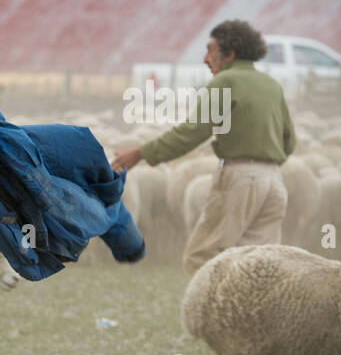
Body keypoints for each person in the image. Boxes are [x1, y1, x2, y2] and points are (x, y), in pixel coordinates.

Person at [111, 19, 296, 275]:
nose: (205, 58)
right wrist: (264, 165)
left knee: (204, 258)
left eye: (210, 50)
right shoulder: (271, 85)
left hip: (240, 178)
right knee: (259, 266)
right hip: (275, 182)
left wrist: (140, 153)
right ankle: (248, 315)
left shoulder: (226, 82)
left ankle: (211, 315)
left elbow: (192, 132)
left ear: (230, 53)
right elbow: (289, 141)